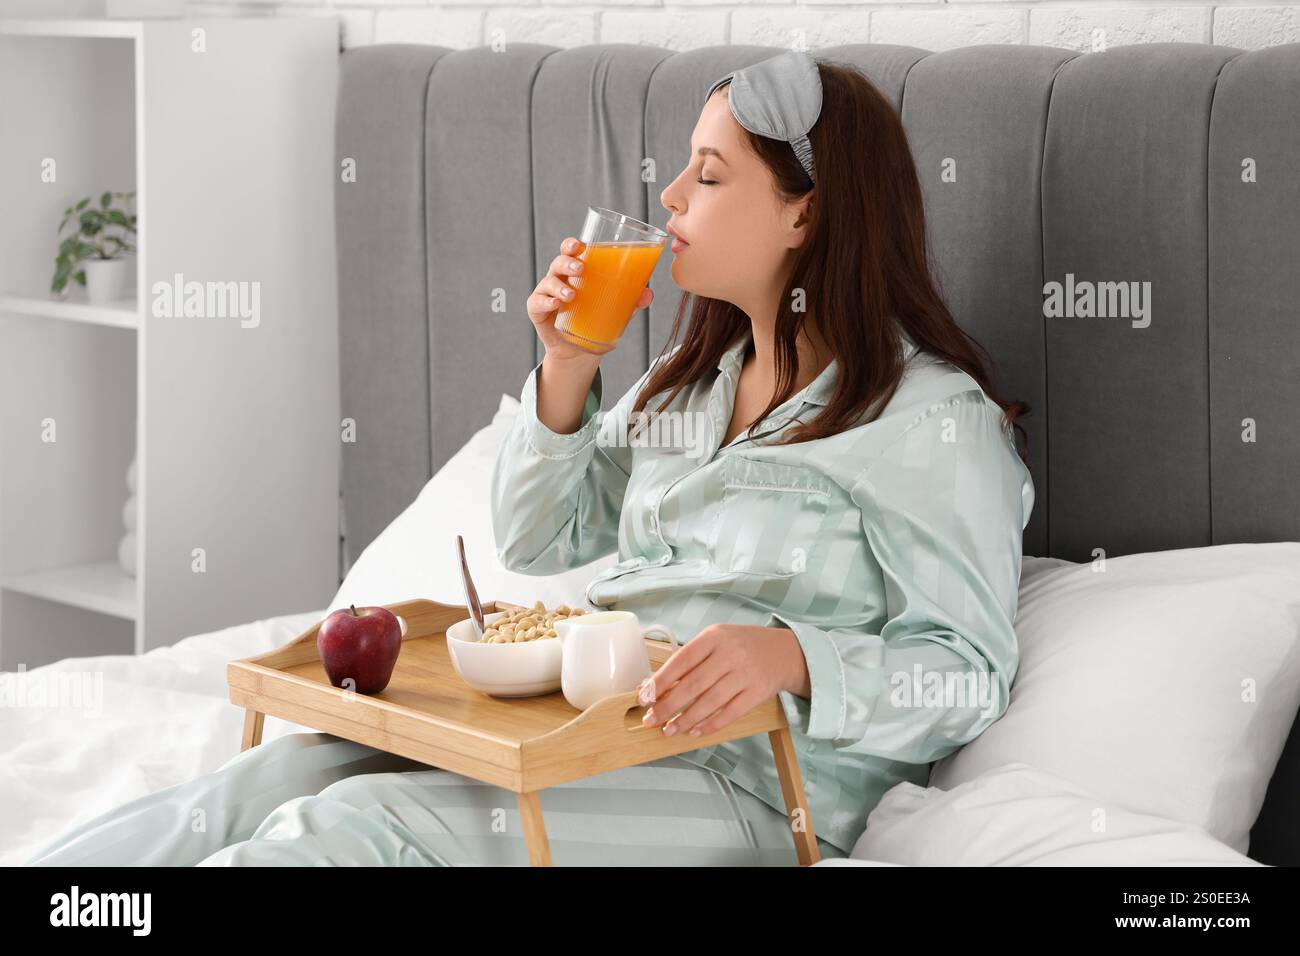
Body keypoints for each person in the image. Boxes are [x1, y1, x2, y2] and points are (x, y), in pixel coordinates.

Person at [26, 50, 1032, 867]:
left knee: (356, 831)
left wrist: (793, 655)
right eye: (683, 164)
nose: (672, 193)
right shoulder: (690, 383)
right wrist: (565, 365)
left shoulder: (930, 420)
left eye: (710, 174)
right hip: (578, 731)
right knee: (265, 781)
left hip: (744, 787)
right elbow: (543, 537)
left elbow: (968, 669)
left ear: (804, 213)